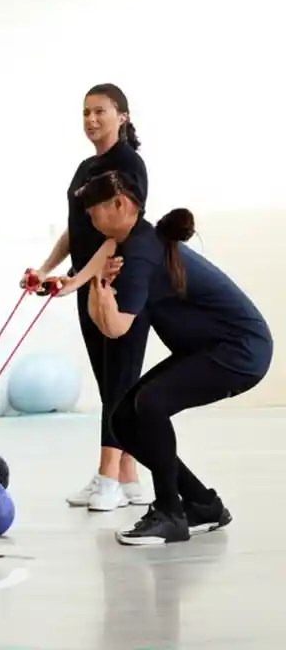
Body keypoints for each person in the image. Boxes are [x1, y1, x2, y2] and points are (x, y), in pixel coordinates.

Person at [72, 171, 272, 545]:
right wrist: (98, 284)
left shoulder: (140, 253)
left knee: (150, 403)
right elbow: (107, 323)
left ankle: (170, 513)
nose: (89, 218)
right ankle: (202, 503)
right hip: (210, 349)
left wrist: (99, 284)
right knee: (123, 418)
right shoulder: (135, 245)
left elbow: (114, 327)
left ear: (120, 205)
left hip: (241, 349)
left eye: (93, 209)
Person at [23, 84, 152, 512]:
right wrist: (46, 270)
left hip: (118, 283)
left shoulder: (129, 164)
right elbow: (75, 230)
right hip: (86, 284)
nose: (92, 119)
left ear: (123, 116)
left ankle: (107, 479)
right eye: (85, 112)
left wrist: (76, 280)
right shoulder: (84, 168)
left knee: (119, 383)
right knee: (111, 385)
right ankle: (129, 477)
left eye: (101, 111)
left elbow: (117, 236)